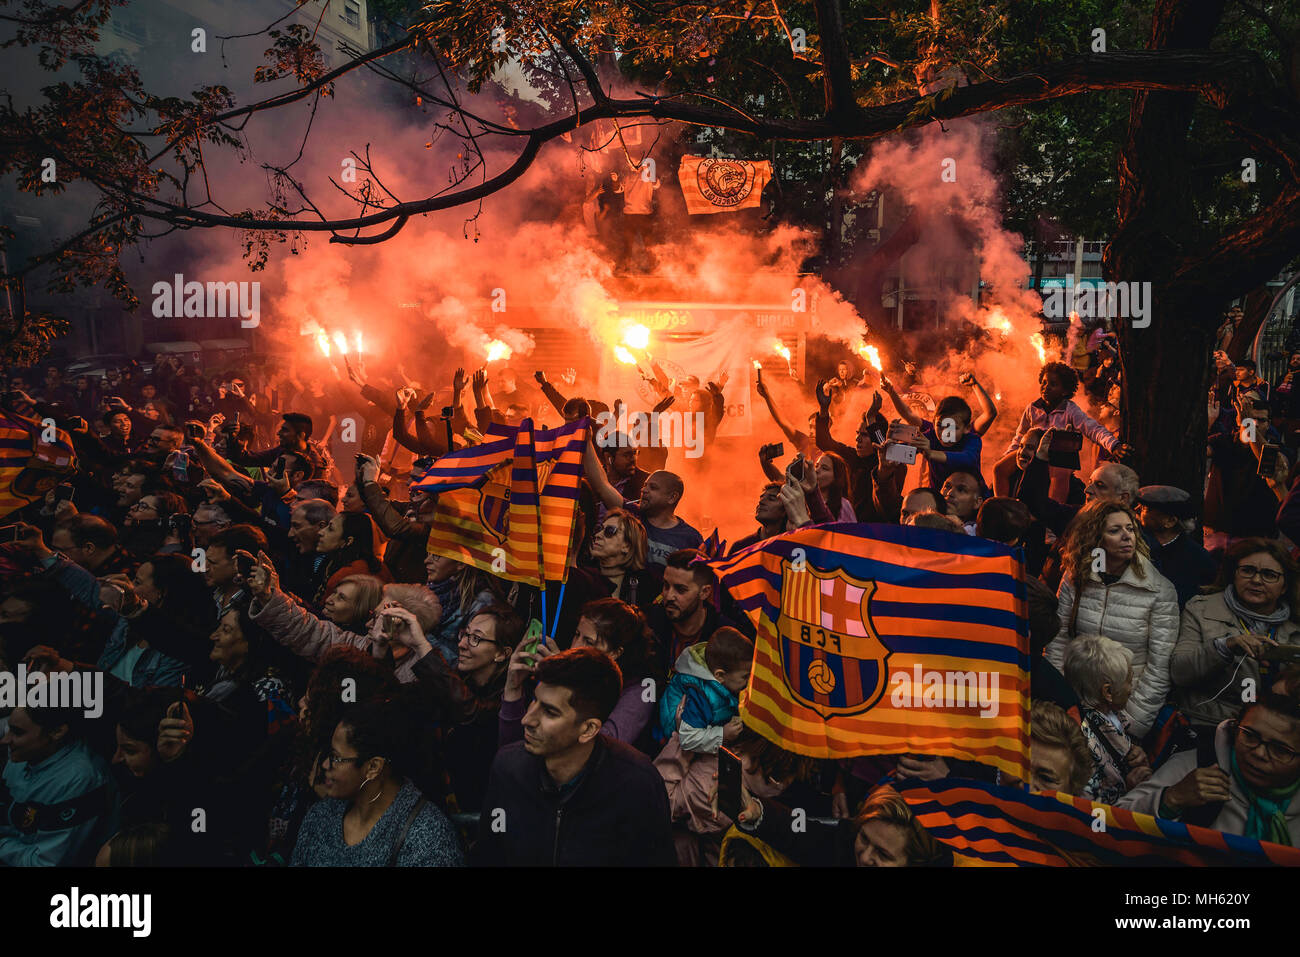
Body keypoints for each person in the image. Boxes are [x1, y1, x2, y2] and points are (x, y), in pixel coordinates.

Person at [473, 648, 676, 866]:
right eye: (534, 701)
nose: (527, 719)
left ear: (588, 729)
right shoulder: (508, 767)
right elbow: (489, 855)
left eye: (550, 712)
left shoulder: (637, 784)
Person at [1047, 502, 1179, 738]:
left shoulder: (1158, 590)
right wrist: (1063, 701)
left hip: (1124, 708)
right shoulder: (1075, 578)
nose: (1126, 536)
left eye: (1130, 528)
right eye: (1114, 530)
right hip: (1076, 705)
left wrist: (1131, 724)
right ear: (1095, 537)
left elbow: (1159, 667)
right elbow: (1058, 641)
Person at [291, 697, 463, 866]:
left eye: (336, 758)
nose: (325, 764)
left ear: (373, 767)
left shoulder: (428, 838)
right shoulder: (321, 816)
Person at [1118, 692, 1300, 844]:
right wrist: (1171, 799)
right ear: (1235, 729)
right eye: (1250, 735)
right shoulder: (1198, 763)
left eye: (1280, 750)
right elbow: (1115, 821)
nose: (1259, 753)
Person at [1171, 538, 1300, 734]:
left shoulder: (1295, 624)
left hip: (1274, 732)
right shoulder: (1200, 609)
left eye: (1269, 575)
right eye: (1247, 571)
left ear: (1284, 586)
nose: (1256, 580)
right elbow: (1179, 672)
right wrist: (1224, 647)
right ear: (1234, 574)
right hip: (1208, 724)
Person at [500, 598, 661, 752]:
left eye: (589, 642)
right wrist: (513, 689)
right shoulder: (566, 672)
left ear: (615, 652)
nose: (576, 646)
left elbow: (599, 748)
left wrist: (566, 679)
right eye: (577, 635)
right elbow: (516, 749)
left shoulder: (641, 688)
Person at [1, 700, 115, 865]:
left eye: (17, 733)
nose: (5, 740)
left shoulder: (79, 778)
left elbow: (45, 862)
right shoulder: (22, 755)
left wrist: (2, 845)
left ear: (57, 732)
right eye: (8, 729)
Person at [993, 362, 1128, 497]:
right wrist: (1008, 455)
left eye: (1053, 384)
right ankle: (1003, 506)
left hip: (1058, 457)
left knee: (1060, 476)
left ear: (1065, 391)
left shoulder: (1071, 410)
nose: (1046, 388)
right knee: (999, 468)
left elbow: (1093, 429)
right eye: (1044, 383)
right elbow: (1020, 435)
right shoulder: (1032, 408)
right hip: (1032, 453)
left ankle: (1054, 511)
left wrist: (1114, 445)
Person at [733, 784, 949, 867]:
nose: (864, 857)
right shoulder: (847, 840)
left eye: (883, 854)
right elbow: (802, 832)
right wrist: (759, 812)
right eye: (864, 838)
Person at [1062, 634, 1153, 803]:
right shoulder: (1080, 740)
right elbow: (1086, 804)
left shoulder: (1111, 715)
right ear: (1108, 692)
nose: (1131, 690)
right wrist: (1128, 789)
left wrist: (1136, 753)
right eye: (1129, 681)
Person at [649, 549, 736, 673]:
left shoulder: (724, 636)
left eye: (681, 589)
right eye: (666, 585)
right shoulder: (648, 623)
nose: (668, 596)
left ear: (705, 592)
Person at [1134, 485, 1217, 608]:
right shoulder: (1132, 543)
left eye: (1146, 509)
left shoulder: (1197, 558)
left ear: (1170, 521)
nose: (1136, 509)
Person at [814, 451, 857, 522]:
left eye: (824, 468)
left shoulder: (843, 505)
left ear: (836, 477)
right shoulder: (802, 501)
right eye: (816, 466)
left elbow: (852, 531)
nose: (817, 470)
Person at [939, 468, 983, 535]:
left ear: (977, 502)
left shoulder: (979, 533)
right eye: (947, 486)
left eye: (961, 490)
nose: (949, 493)